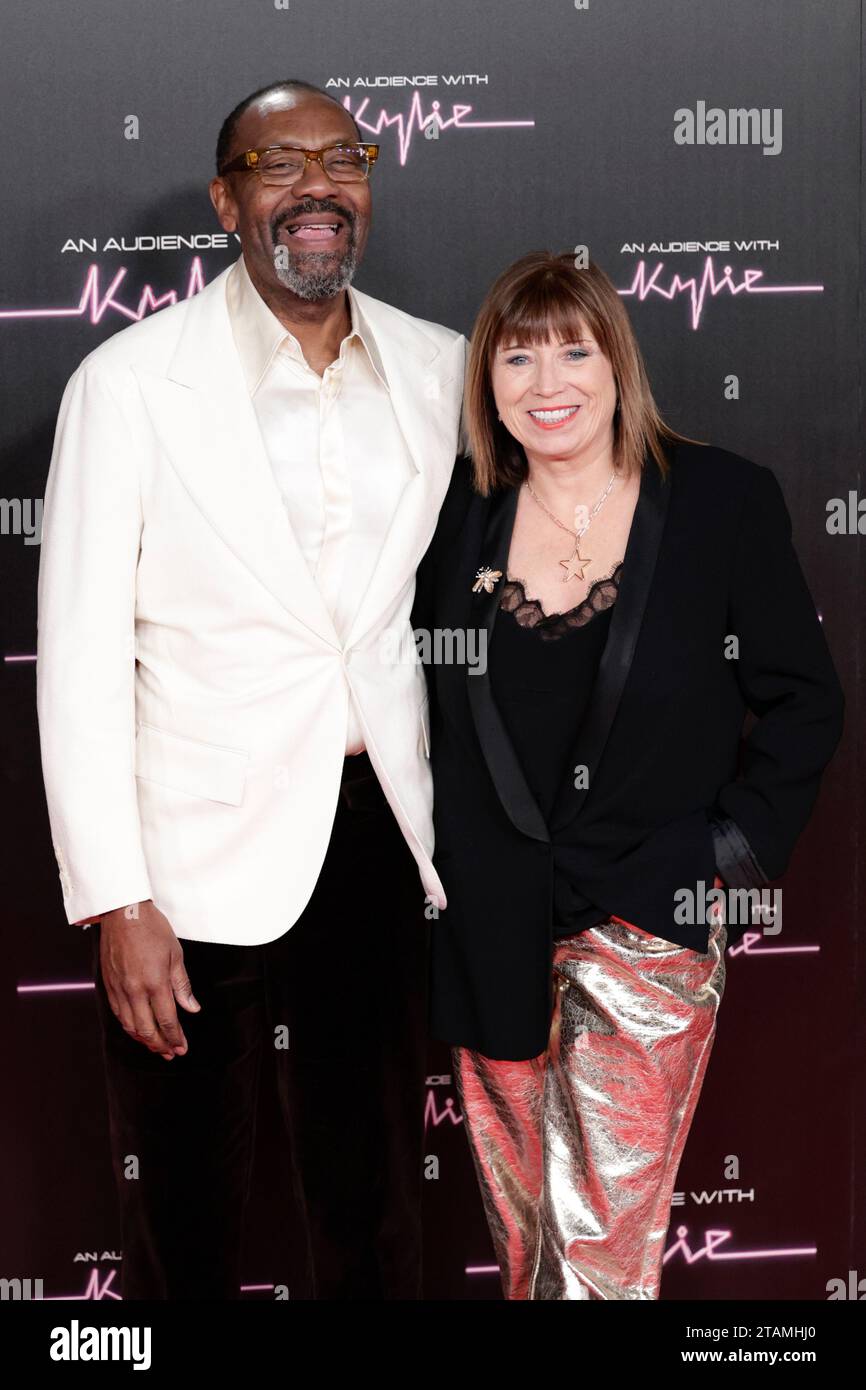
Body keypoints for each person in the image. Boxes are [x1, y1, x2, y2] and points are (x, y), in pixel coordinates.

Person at [36, 78, 466, 1300]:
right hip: (186, 860)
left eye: (344, 158)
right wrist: (117, 895)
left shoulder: (439, 372)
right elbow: (74, 659)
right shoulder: (126, 385)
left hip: (378, 839)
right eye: (279, 163)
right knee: (186, 1220)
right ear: (227, 199)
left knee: (375, 1209)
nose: (317, 185)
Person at [412, 250, 845, 1300]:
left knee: (602, 1252)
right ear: (486, 383)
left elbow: (802, 700)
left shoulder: (716, 500)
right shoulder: (448, 514)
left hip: (647, 917)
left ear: (617, 364)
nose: (546, 381)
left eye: (574, 349)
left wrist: (719, 860)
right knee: (526, 1250)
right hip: (489, 925)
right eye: (516, 356)